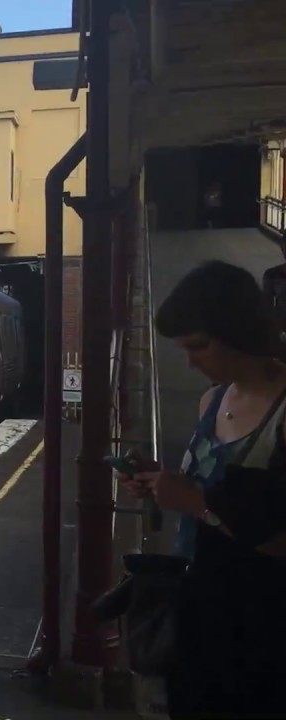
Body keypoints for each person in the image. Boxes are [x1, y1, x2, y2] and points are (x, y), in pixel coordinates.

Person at [116, 260, 286, 719]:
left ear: (239, 332)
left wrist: (194, 502)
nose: (190, 361)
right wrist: (158, 483)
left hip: (262, 622)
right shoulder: (212, 400)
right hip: (197, 604)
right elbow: (204, 491)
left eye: (200, 346)